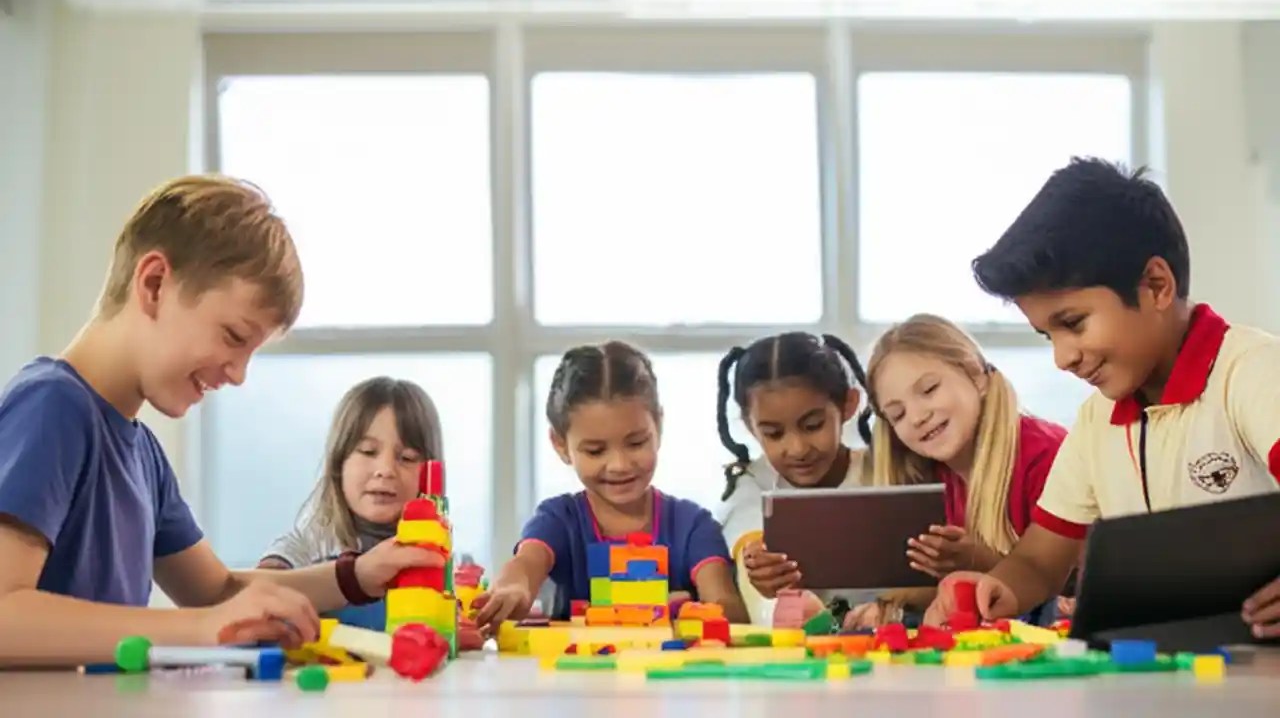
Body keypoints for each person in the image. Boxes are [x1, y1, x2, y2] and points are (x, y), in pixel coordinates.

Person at [0, 176, 434, 666]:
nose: (239, 374)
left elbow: (215, 591)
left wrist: (356, 576)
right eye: (233, 336)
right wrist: (199, 629)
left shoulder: (142, 455)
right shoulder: (52, 408)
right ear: (155, 284)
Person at [922, 157, 1280, 639]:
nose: (1063, 358)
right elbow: (1038, 559)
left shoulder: (1251, 372)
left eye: (1073, 323)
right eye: (1048, 335)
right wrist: (995, 587)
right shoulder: (1097, 421)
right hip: (1164, 675)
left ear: (1156, 285)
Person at [473, 341, 748, 630]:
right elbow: (526, 565)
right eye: (595, 451)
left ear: (659, 426)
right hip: (575, 675)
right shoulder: (558, 519)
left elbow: (729, 608)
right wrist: (511, 588)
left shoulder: (693, 525)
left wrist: (681, 612)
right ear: (560, 445)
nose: (619, 464)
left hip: (670, 675)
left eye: (636, 443)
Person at [846, 314, 1067, 628]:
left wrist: (978, 561)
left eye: (929, 389)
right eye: (898, 414)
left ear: (977, 375)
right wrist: (890, 608)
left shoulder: (1047, 455)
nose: (918, 416)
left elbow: (1063, 589)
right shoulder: (926, 478)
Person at [713, 332, 875, 625]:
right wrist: (759, 562)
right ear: (750, 426)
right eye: (773, 434)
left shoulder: (880, 471)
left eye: (813, 425)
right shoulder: (752, 484)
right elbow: (749, 540)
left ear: (849, 404)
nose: (797, 449)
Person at [257, 376, 444, 629]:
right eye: (368, 452)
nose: (386, 469)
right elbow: (255, 598)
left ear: (431, 475)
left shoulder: (436, 557)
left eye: (407, 458)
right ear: (338, 464)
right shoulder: (303, 547)